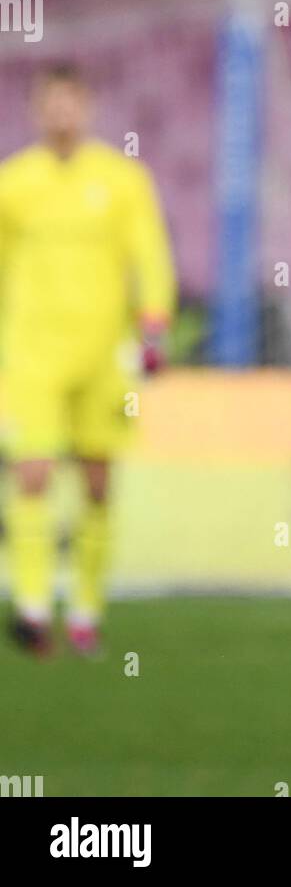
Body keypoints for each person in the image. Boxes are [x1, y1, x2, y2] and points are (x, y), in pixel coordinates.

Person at [0, 64, 176, 656]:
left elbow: (148, 253)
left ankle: (84, 608)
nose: (60, 114)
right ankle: (29, 607)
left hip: (104, 354)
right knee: (34, 472)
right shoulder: (14, 183)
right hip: (32, 352)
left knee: (98, 481)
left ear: (87, 108)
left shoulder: (122, 180)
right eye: (50, 104)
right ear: (35, 111)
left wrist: (153, 321)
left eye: (70, 103)